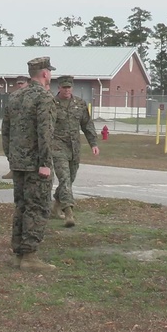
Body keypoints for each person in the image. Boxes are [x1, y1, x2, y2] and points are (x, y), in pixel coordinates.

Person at [1, 57, 56, 272]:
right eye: (49, 72)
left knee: (21, 206)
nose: (50, 75)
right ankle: (30, 256)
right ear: (44, 74)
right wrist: (45, 163)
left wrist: (11, 158)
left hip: (18, 163)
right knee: (38, 207)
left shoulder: (15, 97)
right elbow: (45, 132)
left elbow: (5, 131)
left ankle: (18, 253)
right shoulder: (44, 97)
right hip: (35, 164)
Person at [51, 75, 99, 227]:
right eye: (64, 87)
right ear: (58, 88)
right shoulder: (51, 104)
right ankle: (69, 214)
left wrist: (93, 143)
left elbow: (87, 124)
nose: (67, 90)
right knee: (64, 179)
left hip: (74, 148)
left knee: (69, 180)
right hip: (57, 147)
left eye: (69, 87)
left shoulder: (79, 103)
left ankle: (56, 207)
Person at [1, 76, 30, 180]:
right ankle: (13, 169)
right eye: (18, 83)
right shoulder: (13, 96)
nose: (20, 85)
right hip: (14, 128)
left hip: (27, 129)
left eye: (22, 83)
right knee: (10, 148)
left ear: (27, 83)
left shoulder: (31, 96)